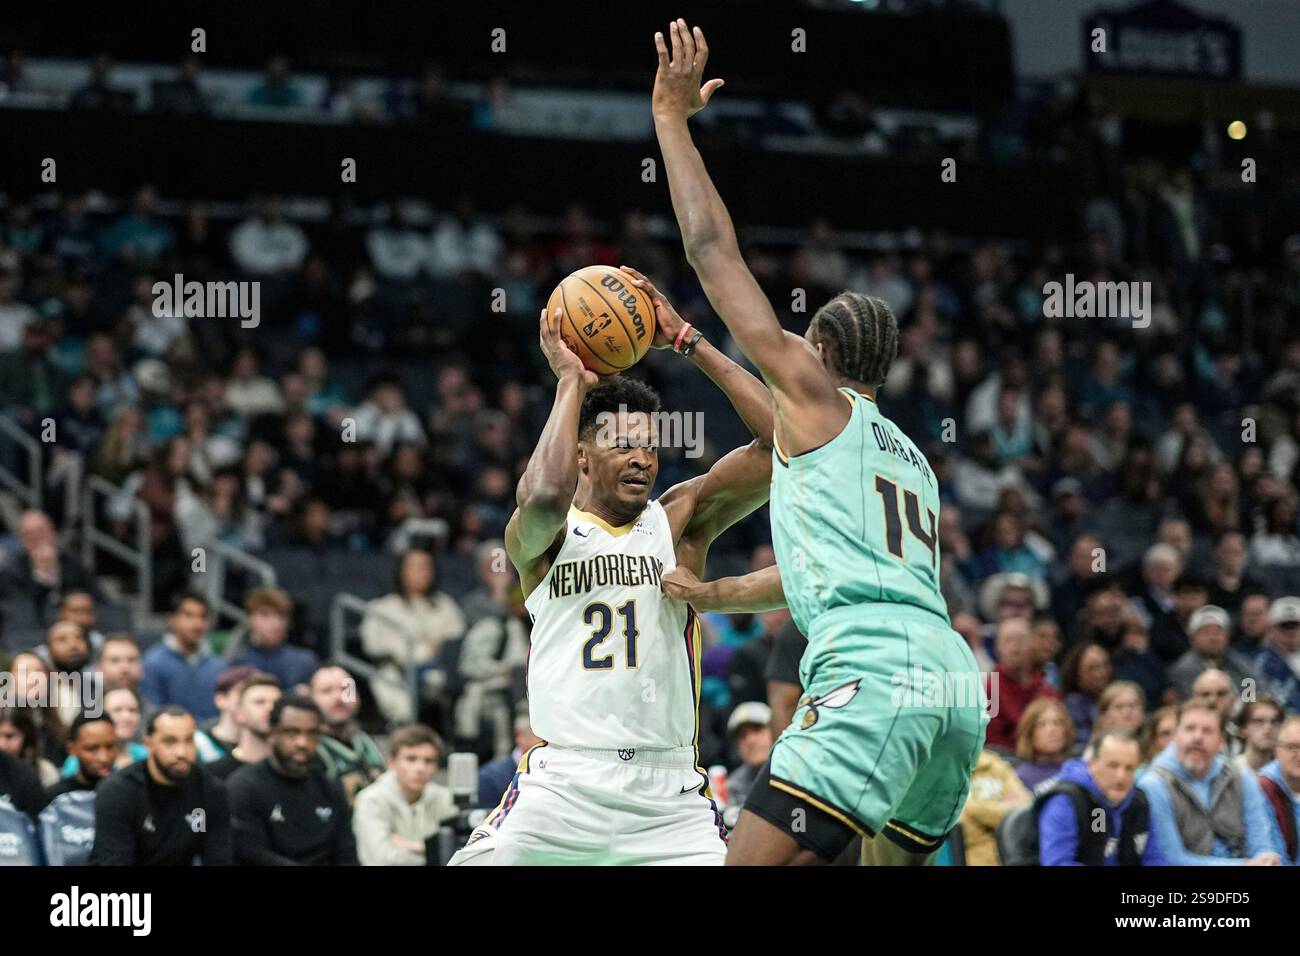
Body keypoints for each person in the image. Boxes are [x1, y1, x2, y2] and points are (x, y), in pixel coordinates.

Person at [650, 18, 986, 865]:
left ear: (820, 356)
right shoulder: (907, 457)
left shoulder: (812, 397)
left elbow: (712, 251)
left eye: (797, 347)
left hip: (872, 669)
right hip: (951, 677)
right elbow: (811, 574)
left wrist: (670, 122)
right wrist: (713, 595)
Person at [448, 261, 776, 863]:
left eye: (649, 445)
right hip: (564, 783)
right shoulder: (545, 537)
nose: (641, 458)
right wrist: (570, 383)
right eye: (622, 444)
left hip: (668, 793)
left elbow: (781, 442)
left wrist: (687, 339)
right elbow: (542, 497)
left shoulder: (678, 521)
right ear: (582, 454)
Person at [1136, 700, 1281, 865]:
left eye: (1207, 731)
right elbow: (1171, 860)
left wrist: (1266, 861)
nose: (1197, 737)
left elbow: (1262, 845)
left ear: (1221, 741)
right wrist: (1244, 865)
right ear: (1175, 736)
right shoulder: (1154, 785)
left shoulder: (1241, 778)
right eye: (1190, 728)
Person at [88, 706, 232, 865]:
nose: (181, 752)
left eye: (189, 740)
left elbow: (219, 859)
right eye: (170, 742)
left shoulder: (210, 790)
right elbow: (116, 861)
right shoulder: (118, 791)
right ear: (148, 745)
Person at [228, 695, 358, 865]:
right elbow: (252, 855)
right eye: (292, 732)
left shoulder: (329, 787)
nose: (302, 743)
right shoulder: (244, 787)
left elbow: (346, 853)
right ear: (272, 733)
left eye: (311, 733)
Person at [360, 549, 464, 724]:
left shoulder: (445, 604)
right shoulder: (381, 607)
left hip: (435, 670)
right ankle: (401, 729)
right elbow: (372, 645)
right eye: (416, 567)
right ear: (401, 571)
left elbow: (455, 639)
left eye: (427, 567)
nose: (423, 572)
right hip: (395, 670)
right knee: (389, 686)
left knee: (439, 681)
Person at [1037, 729, 1164, 866]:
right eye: (1113, 766)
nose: (1121, 776)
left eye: (1129, 768)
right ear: (1092, 764)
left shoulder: (1139, 801)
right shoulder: (1065, 802)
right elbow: (1058, 863)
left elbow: (1154, 858)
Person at [353, 724, 456, 865]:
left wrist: (417, 847)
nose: (420, 768)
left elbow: (459, 852)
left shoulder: (445, 797)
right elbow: (381, 860)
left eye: (429, 761)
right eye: (411, 759)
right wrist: (433, 853)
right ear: (391, 762)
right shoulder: (371, 800)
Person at [140, 592, 226, 720]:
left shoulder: (218, 665)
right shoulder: (153, 663)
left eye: (202, 617)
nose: (197, 624)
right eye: (189, 615)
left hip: (211, 731)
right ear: (172, 619)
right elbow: (152, 714)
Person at [310, 664, 385, 806]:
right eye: (327, 691)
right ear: (311, 698)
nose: (338, 697)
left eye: (346, 689)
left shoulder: (370, 740)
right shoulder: (309, 749)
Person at [985, 618, 1059, 752]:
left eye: (1021, 639)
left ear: (1032, 645)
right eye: (1008, 640)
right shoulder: (989, 690)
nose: (1015, 647)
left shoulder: (1046, 689)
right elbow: (992, 743)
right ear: (997, 648)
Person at [227, 586, 319, 692]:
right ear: (250, 618)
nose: (275, 622)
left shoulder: (305, 662)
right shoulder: (239, 665)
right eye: (265, 614)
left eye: (281, 615)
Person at [958, 748, 1029, 865]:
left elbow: (1022, 815)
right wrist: (998, 809)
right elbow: (953, 827)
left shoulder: (995, 764)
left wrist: (967, 807)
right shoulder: (935, 770)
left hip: (1010, 859)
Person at [1168, 605, 1255, 699]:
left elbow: (1254, 693)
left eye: (1218, 632)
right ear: (1192, 638)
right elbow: (1195, 702)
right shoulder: (1183, 671)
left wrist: (1248, 704)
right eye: (1206, 632)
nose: (1213, 638)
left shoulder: (1240, 663)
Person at [207, 673, 282, 780]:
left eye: (277, 703)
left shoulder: (294, 771)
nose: (270, 708)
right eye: (259, 702)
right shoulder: (214, 774)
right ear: (238, 713)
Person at [43, 712, 117, 809]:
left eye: (110, 746)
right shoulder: (55, 799)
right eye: (92, 749)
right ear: (72, 749)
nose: (103, 758)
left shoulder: (129, 792)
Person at [475, 708, 543, 810]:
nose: (544, 742)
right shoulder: (490, 778)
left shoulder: (554, 772)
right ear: (518, 735)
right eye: (538, 735)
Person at [1258, 715, 1300, 866]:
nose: (1299, 755)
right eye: (1292, 747)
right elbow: (1273, 856)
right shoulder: (1263, 788)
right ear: (1277, 750)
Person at [1013, 698, 1075, 795]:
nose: (1052, 730)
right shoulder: (1019, 779)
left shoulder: (1080, 768)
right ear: (1029, 733)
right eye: (1041, 725)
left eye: (1057, 722)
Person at [1060, 642, 1112, 748]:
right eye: (1092, 668)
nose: (1101, 673)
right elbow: (1080, 743)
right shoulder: (1072, 706)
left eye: (1105, 665)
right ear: (1076, 673)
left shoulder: (1115, 698)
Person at [1255, 596, 1300, 713]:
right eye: (1285, 626)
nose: (1291, 632)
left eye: (1295, 625)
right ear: (1271, 629)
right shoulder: (1258, 663)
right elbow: (1248, 699)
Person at [725, 701, 773, 810]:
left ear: (775, 729)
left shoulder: (797, 770)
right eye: (742, 736)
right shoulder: (733, 787)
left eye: (757, 730)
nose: (750, 740)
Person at [1235, 697, 1284, 774]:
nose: (1268, 727)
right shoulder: (1229, 773)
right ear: (1242, 730)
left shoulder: (1287, 774)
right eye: (1259, 721)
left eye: (1274, 722)